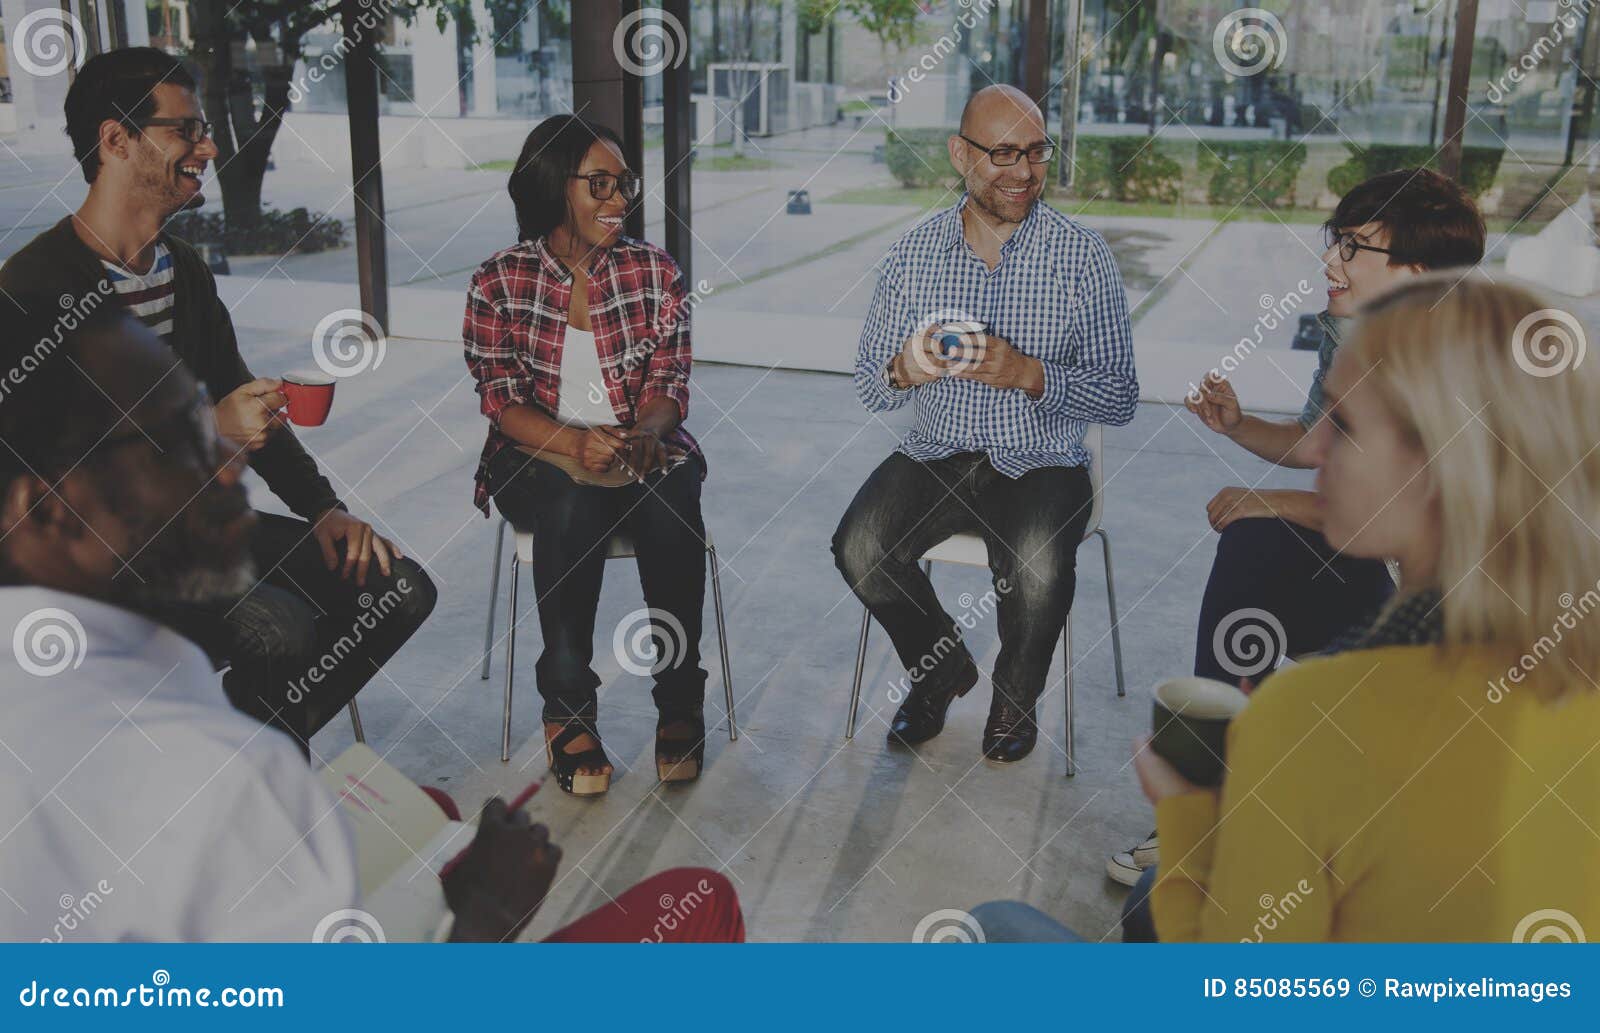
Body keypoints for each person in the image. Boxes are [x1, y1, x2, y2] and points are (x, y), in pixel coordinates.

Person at [0, 301, 744, 943]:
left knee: (427, 812)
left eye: (210, 424)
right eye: (178, 443)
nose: (230, 466)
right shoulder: (216, 772)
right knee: (699, 904)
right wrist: (484, 913)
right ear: (46, 511)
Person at [978, 275, 1600, 941]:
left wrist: (1192, 811)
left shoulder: (1314, 714)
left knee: (992, 928)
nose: (1316, 452)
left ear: (1446, 464)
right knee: (1147, 900)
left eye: (1345, 425)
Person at [0, 47, 435, 753]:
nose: (209, 146)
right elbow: (37, 476)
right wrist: (205, 429)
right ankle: (253, 780)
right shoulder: (31, 289)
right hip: (109, 565)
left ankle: (238, 755)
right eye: (187, 130)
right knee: (280, 629)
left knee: (398, 590)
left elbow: (242, 398)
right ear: (115, 140)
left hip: (196, 527)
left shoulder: (184, 271)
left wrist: (324, 508)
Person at [1106, 168, 1486, 886]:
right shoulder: (1353, 333)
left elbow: (1400, 510)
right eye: (1336, 242)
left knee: (1262, 530)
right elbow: (1322, 446)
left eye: (1354, 248)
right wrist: (1239, 424)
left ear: (1418, 272)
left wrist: (1271, 500)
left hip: (1449, 630)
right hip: (1392, 591)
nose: (1331, 261)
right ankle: (1209, 790)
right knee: (1254, 544)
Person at [832, 85, 1137, 763]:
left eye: (1035, 151)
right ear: (960, 155)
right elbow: (869, 386)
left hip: (1043, 458)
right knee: (859, 546)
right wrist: (904, 370)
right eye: (1003, 152)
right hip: (937, 451)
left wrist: (1032, 374)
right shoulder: (913, 256)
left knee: (1037, 563)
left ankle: (1015, 696)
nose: (1024, 171)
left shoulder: (1082, 257)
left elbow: (1120, 398)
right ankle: (941, 669)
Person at [463, 115, 709, 796]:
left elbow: (669, 384)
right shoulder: (498, 281)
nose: (618, 198)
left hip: (638, 445)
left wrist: (645, 434)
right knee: (569, 501)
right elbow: (500, 399)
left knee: (672, 502)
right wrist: (574, 442)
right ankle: (567, 707)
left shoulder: (654, 272)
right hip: (535, 452)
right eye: (598, 183)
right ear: (553, 184)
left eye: (623, 183)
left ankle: (680, 698)